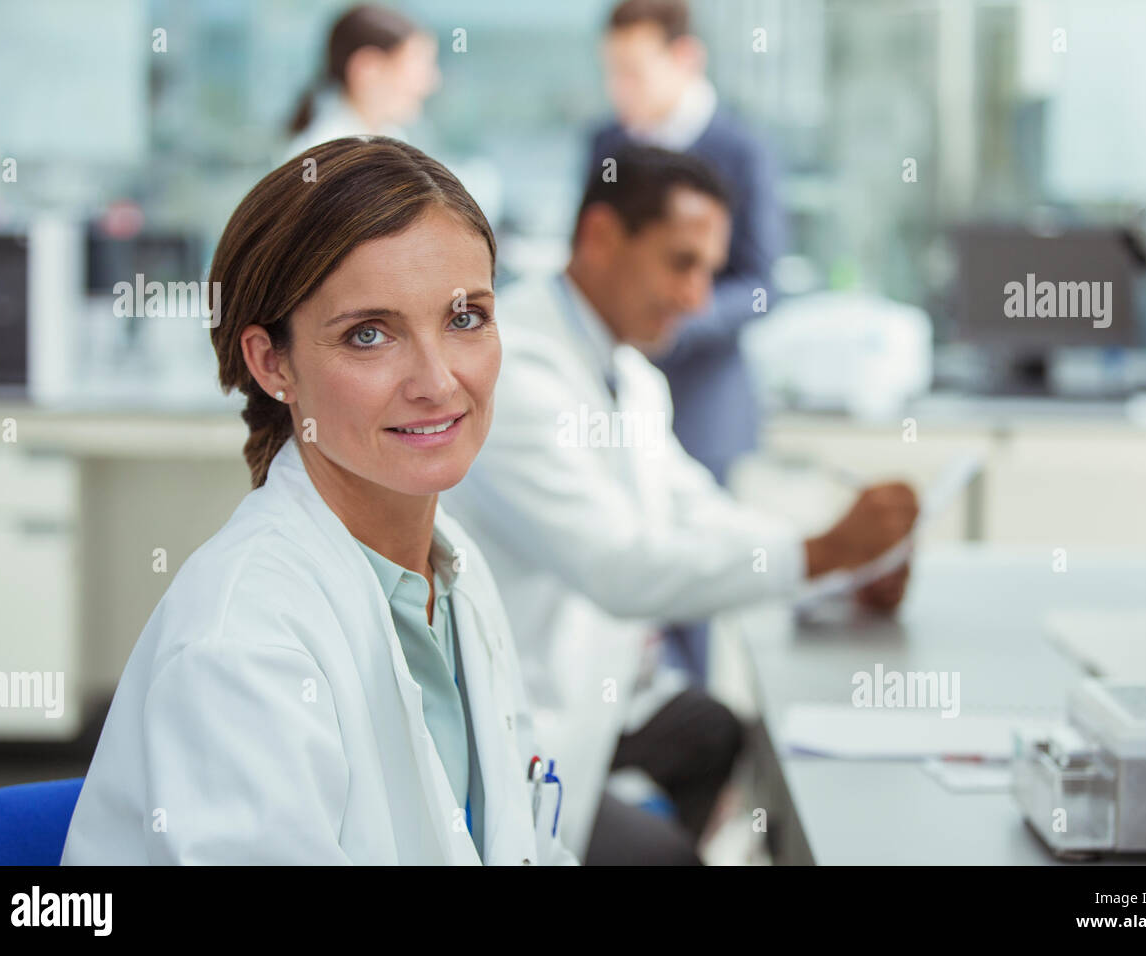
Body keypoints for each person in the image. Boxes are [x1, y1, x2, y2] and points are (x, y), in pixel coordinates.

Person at [61, 137, 575, 865]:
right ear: (273, 363)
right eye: (369, 335)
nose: (436, 381)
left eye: (465, 319)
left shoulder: (455, 575)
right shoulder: (240, 643)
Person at [443, 145, 916, 864]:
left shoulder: (630, 375)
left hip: (604, 701)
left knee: (711, 730)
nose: (698, 298)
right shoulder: (516, 372)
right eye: (681, 263)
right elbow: (619, 569)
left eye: (711, 271)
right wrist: (821, 552)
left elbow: (701, 513)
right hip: (516, 732)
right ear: (602, 236)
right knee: (667, 858)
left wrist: (840, 566)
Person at [590, 0, 787, 681]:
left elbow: (763, 283)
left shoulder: (741, 149)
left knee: (693, 584)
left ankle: (690, 757)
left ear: (685, 60)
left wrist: (673, 318)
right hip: (608, 392)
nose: (621, 91)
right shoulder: (607, 144)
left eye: (634, 72)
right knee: (611, 581)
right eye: (611, 72)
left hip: (702, 400)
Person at [284, 4, 440, 158]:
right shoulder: (323, 157)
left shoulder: (387, 135)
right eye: (418, 67)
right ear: (367, 69)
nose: (432, 83)